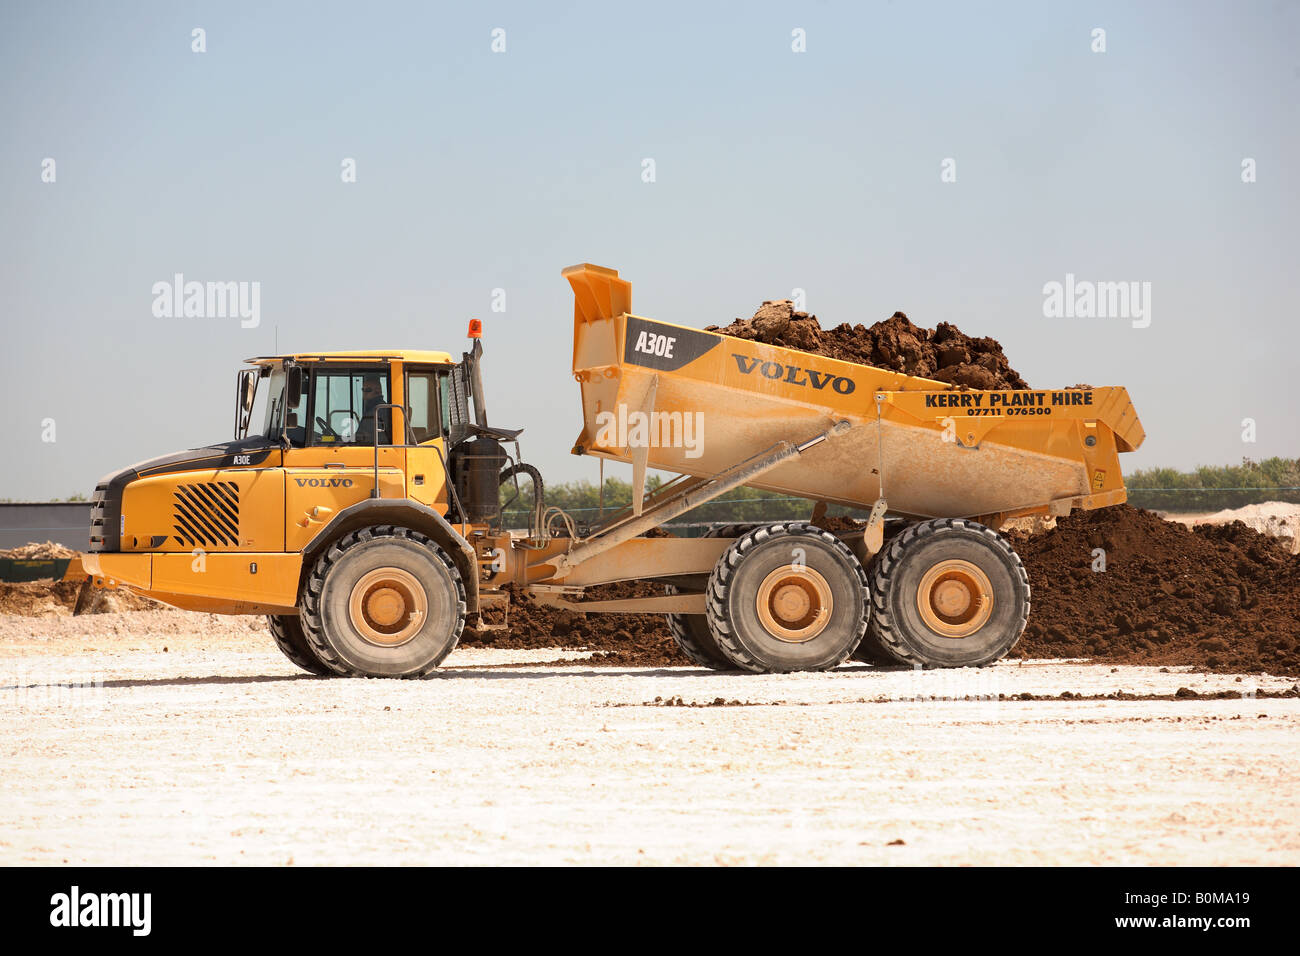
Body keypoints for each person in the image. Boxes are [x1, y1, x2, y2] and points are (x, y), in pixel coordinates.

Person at [355, 374, 390, 444]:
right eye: (363, 389)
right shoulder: (371, 409)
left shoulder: (381, 410)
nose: (364, 393)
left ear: (377, 391)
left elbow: (371, 435)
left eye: (368, 390)